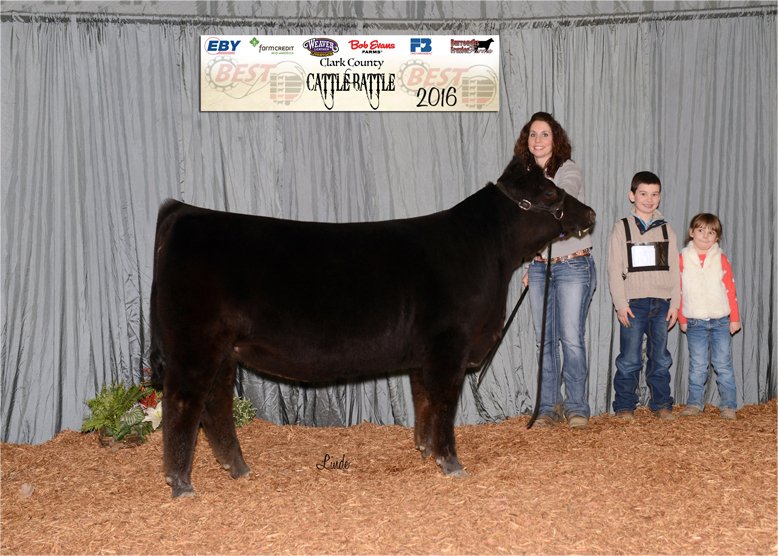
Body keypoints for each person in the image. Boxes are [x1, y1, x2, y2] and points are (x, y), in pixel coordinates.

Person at [516, 112, 596, 429]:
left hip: (573, 264)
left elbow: (559, 202)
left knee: (571, 338)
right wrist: (529, 261)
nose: (538, 140)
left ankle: (577, 407)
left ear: (555, 139)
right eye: (532, 135)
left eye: (544, 134)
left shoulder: (568, 170)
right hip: (540, 267)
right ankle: (548, 407)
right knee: (544, 341)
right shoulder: (523, 177)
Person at [607, 171, 680, 420]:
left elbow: (675, 268)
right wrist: (620, 303)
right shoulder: (622, 228)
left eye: (654, 194)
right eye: (643, 194)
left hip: (661, 304)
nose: (649, 199)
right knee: (629, 358)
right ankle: (625, 406)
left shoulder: (666, 229)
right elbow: (614, 269)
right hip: (633, 304)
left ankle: (661, 404)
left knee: (660, 358)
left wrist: (675, 303)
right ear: (632, 195)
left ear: (659, 197)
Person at [678, 213, 741, 420]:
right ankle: (695, 404)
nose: (705, 236)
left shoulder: (721, 259)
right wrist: (682, 318)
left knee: (722, 363)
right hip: (695, 320)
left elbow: (730, 289)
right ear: (691, 233)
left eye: (711, 232)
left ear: (717, 238)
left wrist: (734, 318)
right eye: (701, 230)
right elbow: (678, 291)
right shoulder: (682, 259)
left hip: (721, 319)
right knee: (698, 364)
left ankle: (728, 405)